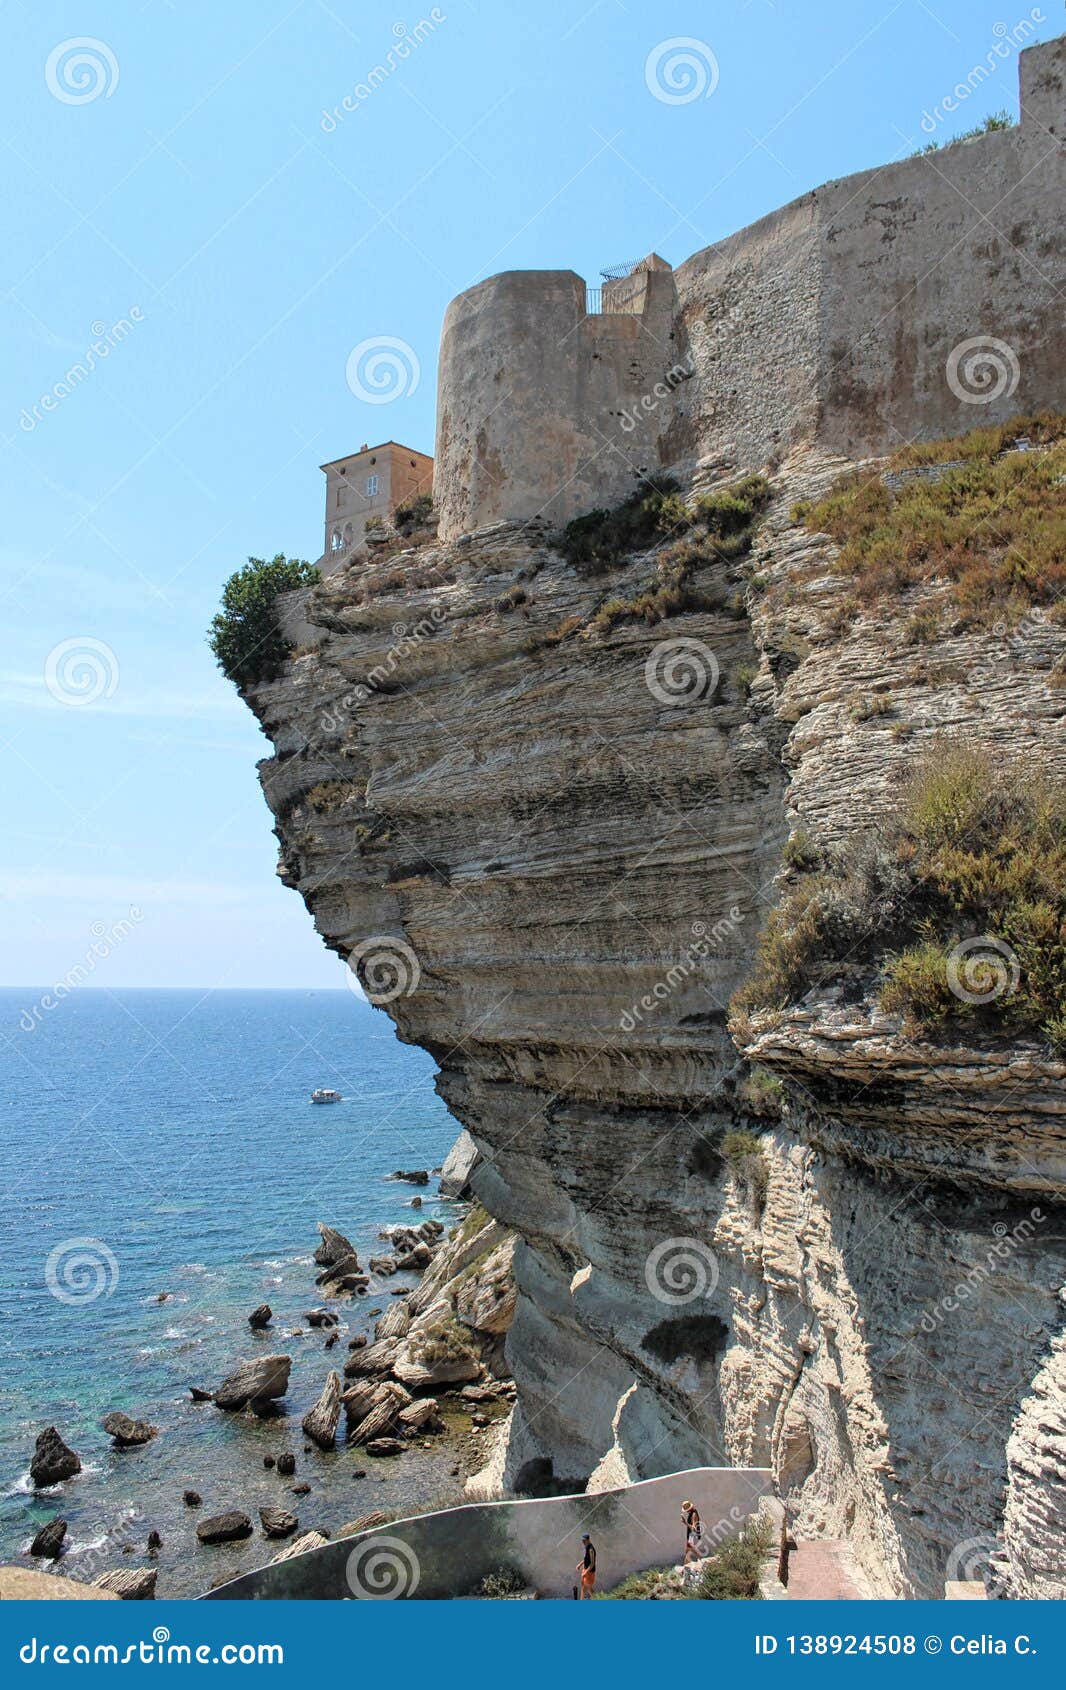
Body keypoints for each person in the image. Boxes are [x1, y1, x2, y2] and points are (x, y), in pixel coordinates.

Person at [576, 1533, 596, 1597]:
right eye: (582, 1540)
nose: (583, 1542)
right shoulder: (586, 1547)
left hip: (589, 1571)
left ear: (588, 1540)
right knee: (583, 1587)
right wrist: (580, 1564)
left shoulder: (591, 1549)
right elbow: (586, 1559)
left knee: (589, 1588)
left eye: (584, 1540)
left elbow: (592, 1563)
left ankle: (597, 1599)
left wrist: (585, 1572)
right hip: (585, 1569)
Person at [682, 1499, 702, 1564]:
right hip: (691, 1534)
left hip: (692, 1534)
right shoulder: (692, 1513)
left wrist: (685, 1522)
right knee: (687, 1550)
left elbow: (694, 1528)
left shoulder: (693, 1515)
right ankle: (685, 1565)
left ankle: (700, 1558)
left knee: (689, 1549)